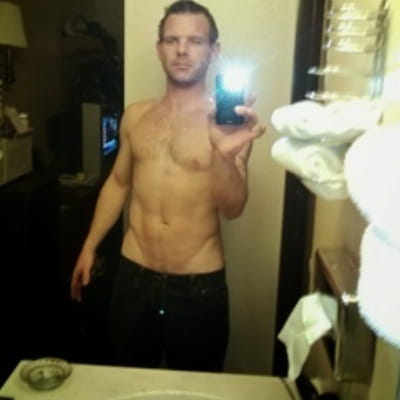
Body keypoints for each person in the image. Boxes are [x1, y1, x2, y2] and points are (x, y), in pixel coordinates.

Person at [70, 0, 265, 372]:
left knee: (193, 391)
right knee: (130, 385)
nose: (182, 50)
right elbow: (118, 183)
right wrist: (89, 247)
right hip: (133, 277)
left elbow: (233, 208)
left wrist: (223, 156)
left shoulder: (228, 122)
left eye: (195, 41)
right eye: (172, 40)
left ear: (214, 51)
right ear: (160, 48)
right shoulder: (136, 115)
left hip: (198, 286)